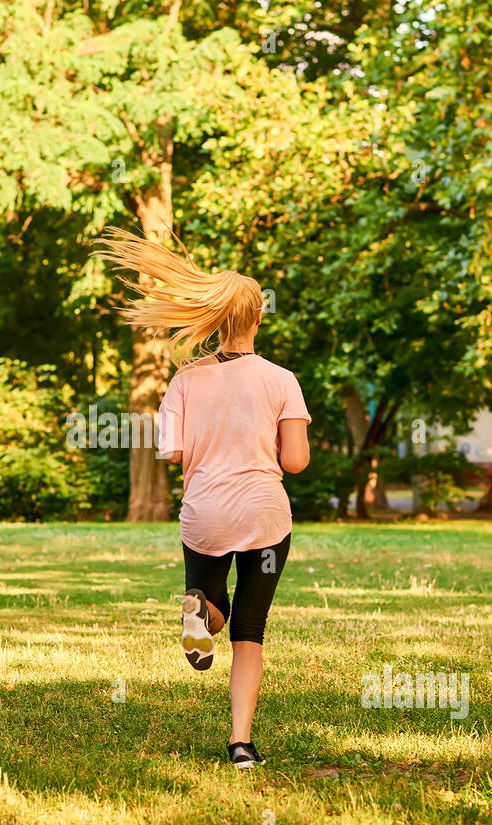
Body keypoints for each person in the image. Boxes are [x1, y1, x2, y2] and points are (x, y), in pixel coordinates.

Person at [93, 227, 311, 769]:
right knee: (249, 631)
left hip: (206, 513)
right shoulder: (282, 380)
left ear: (212, 320)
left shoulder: (186, 380)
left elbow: (171, 452)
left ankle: (199, 611)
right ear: (259, 318)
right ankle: (241, 744)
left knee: (213, 607)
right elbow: (296, 462)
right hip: (264, 514)